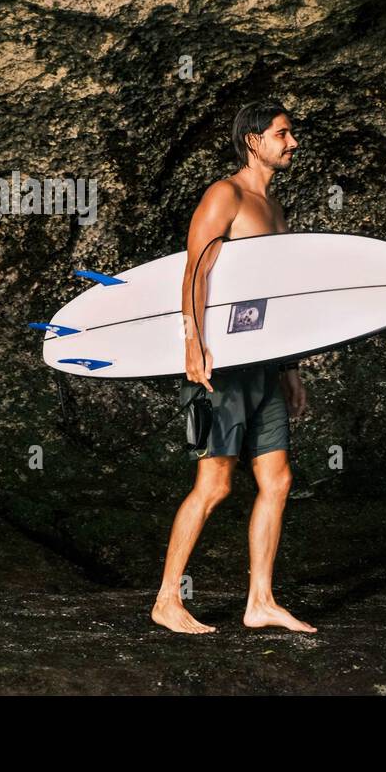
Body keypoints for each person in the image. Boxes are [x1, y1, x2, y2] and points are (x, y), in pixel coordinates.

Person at [151, 100, 315, 634]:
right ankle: (166, 599)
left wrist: (289, 367)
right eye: (283, 134)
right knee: (216, 483)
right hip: (222, 364)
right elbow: (194, 272)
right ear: (253, 140)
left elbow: (276, 296)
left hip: (265, 364)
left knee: (278, 478)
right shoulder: (226, 195)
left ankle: (260, 601)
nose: (292, 143)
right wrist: (192, 342)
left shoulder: (274, 208)